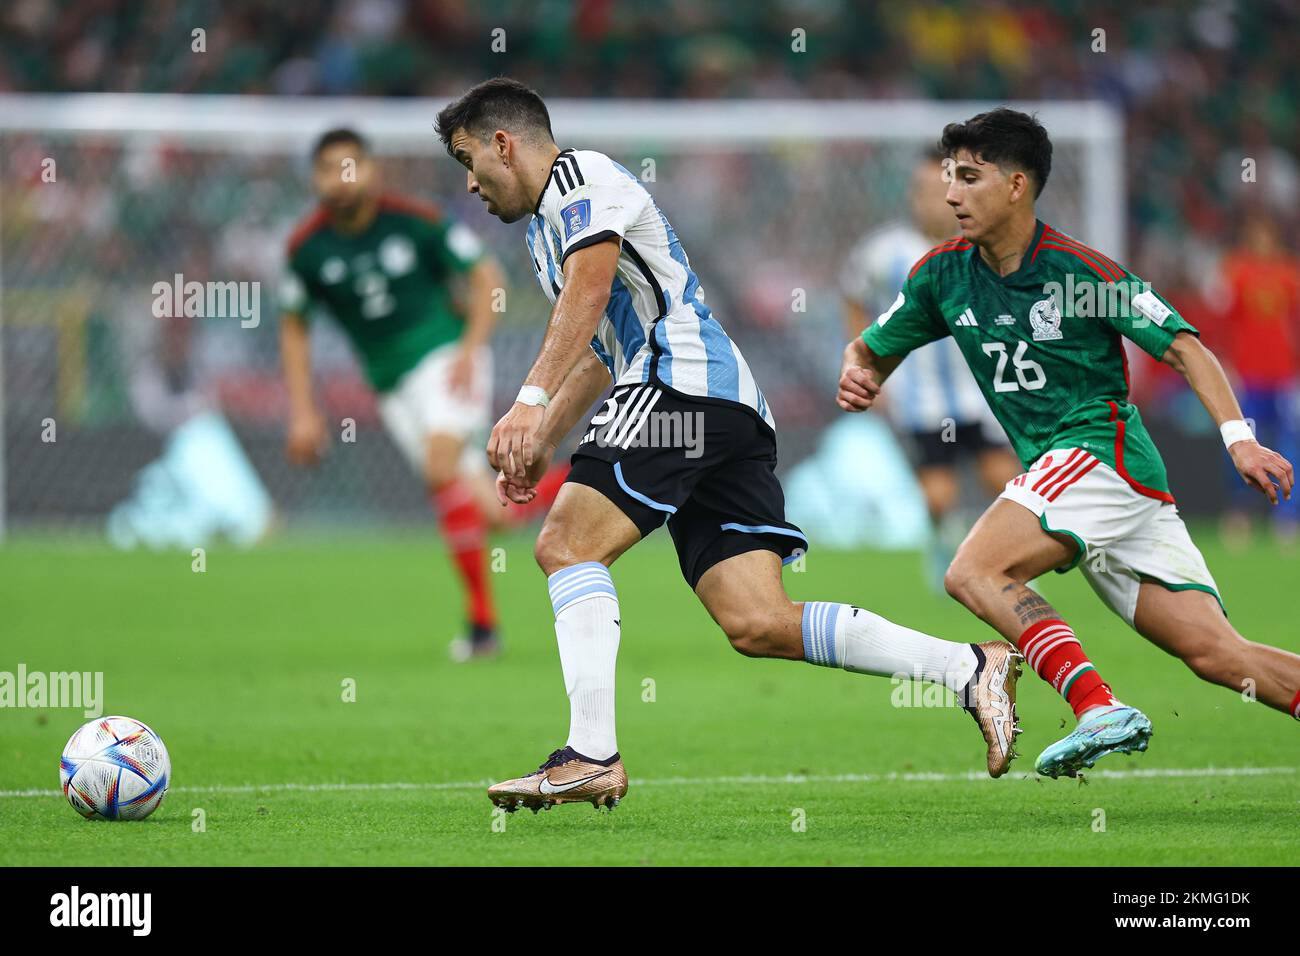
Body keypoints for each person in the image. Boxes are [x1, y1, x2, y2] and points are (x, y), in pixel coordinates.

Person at [435, 77, 1023, 812]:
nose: (470, 183)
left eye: (468, 160)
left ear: (503, 144)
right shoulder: (543, 232)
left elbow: (589, 294)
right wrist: (545, 438)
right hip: (722, 407)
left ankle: (591, 754)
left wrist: (526, 403)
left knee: (566, 546)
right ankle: (968, 669)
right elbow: (598, 347)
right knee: (757, 620)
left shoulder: (580, 177)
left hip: (680, 386)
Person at [838, 108, 1299, 778]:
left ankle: (1096, 705)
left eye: (969, 177)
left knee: (972, 571)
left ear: (1017, 185)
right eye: (949, 177)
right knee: (1218, 655)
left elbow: (1183, 345)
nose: (950, 194)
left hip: (1098, 452)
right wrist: (860, 372)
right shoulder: (940, 275)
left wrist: (1240, 441)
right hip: (1097, 479)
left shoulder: (1078, 273)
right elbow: (872, 347)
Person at [279, 127, 516, 660]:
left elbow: (488, 277)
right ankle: (586, 475)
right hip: (390, 386)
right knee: (494, 512)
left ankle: (482, 627)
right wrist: (303, 412)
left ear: (372, 170)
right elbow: (293, 327)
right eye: (327, 169)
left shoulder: (417, 220)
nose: (341, 179)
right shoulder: (306, 250)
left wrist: (470, 349)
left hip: (446, 359)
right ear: (314, 180)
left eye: (350, 165)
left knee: (439, 465)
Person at [840, 148, 1019, 587]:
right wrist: (866, 361)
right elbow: (853, 294)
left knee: (1006, 481)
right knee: (938, 496)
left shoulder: (984, 246)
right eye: (921, 190)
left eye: (939, 190)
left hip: (982, 390)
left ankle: (1013, 561)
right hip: (922, 398)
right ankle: (944, 546)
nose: (929, 200)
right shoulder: (886, 252)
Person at [1213, 211, 1300, 548]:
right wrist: (1227, 365)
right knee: (1242, 441)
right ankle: (1240, 512)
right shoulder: (1237, 272)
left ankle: (1287, 515)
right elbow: (1223, 322)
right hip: (1247, 376)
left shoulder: (1289, 274)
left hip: (1282, 376)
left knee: (1289, 443)